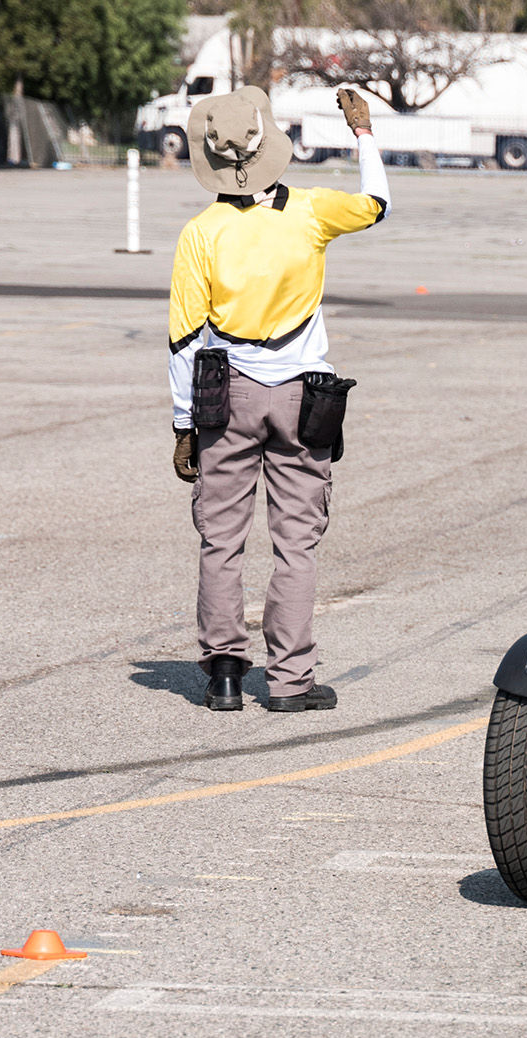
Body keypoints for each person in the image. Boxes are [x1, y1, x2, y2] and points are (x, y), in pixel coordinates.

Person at [167, 86, 389, 712]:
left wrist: (184, 423)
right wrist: (363, 133)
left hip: (225, 396)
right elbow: (377, 205)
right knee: (296, 541)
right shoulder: (312, 212)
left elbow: (184, 336)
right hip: (301, 395)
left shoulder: (200, 232)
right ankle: (291, 680)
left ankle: (225, 675)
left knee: (221, 538)